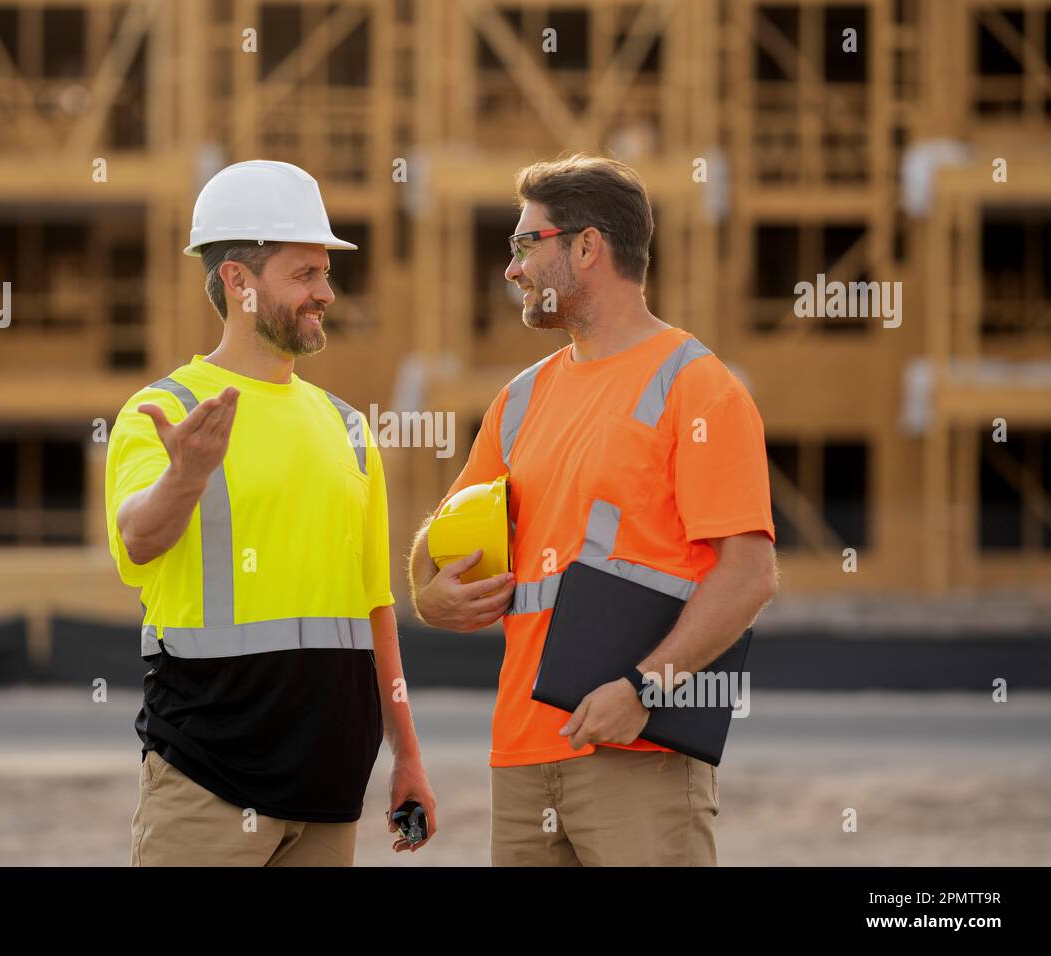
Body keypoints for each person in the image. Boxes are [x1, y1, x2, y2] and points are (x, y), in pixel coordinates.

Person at [408, 154, 777, 866]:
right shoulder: (520, 398)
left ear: (586, 247)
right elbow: (442, 538)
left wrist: (643, 689)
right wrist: (431, 595)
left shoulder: (699, 389)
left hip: (637, 753)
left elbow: (749, 574)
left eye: (525, 245)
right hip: (522, 755)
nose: (511, 269)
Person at [107, 160, 436, 866]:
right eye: (305, 274)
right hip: (207, 779)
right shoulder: (164, 410)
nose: (326, 293)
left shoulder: (349, 428)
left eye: (326, 273)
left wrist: (407, 752)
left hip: (330, 786)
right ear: (238, 281)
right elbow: (138, 539)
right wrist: (185, 475)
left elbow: (374, 606)